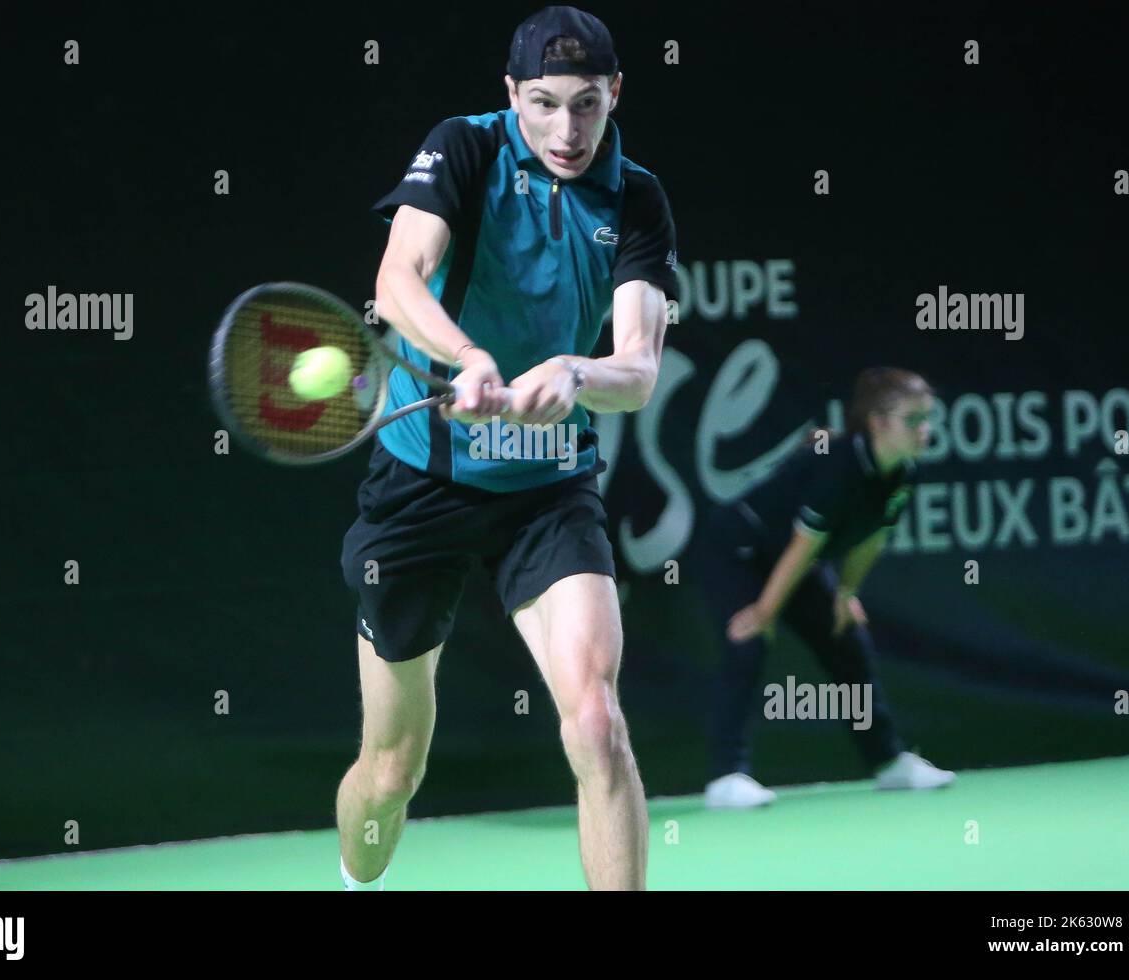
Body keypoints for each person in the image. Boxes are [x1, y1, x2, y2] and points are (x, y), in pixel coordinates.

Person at [336, 6, 679, 889]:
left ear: (615, 94)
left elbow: (637, 369)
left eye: (588, 105)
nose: (567, 129)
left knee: (599, 723)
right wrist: (470, 356)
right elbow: (396, 275)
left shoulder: (635, 196)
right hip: (423, 483)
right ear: (510, 96)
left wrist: (576, 370)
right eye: (544, 103)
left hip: (549, 490)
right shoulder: (465, 149)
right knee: (390, 772)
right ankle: (353, 876)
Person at [701, 367, 956, 808]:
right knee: (749, 642)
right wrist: (765, 612)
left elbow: (871, 537)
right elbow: (806, 545)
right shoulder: (838, 466)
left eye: (927, 418)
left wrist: (845, 594)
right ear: (878, 422)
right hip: (734, 549)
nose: (924, 430)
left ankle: (889, 762)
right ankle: (727, 778)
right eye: (913, 420)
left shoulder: (903, 473)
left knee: (846, 637)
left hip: (791, 559)